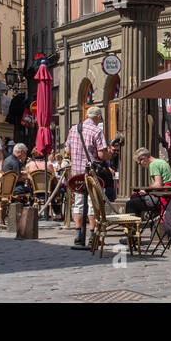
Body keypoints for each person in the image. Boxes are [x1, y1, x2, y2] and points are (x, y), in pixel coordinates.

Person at [66, 105, 106, 246]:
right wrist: (109, 154)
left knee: (78, 204)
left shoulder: (74, 129)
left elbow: (68, 150)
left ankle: (78, 236)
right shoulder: (97, 131)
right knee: (92, 204)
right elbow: (101, 154)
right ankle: (92, 237)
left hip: (77, 174)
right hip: (91, 172)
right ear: (98, 117)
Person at [125, 148, 171, 216]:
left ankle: (133, 226)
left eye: (139, 163)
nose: (140, 165)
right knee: (136, 198)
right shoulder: (161, 161)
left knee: (130, 204)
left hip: (162, 198)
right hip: (168, 196)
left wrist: (146, 190)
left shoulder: (153, 164)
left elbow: (158, 185)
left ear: (144, 158)